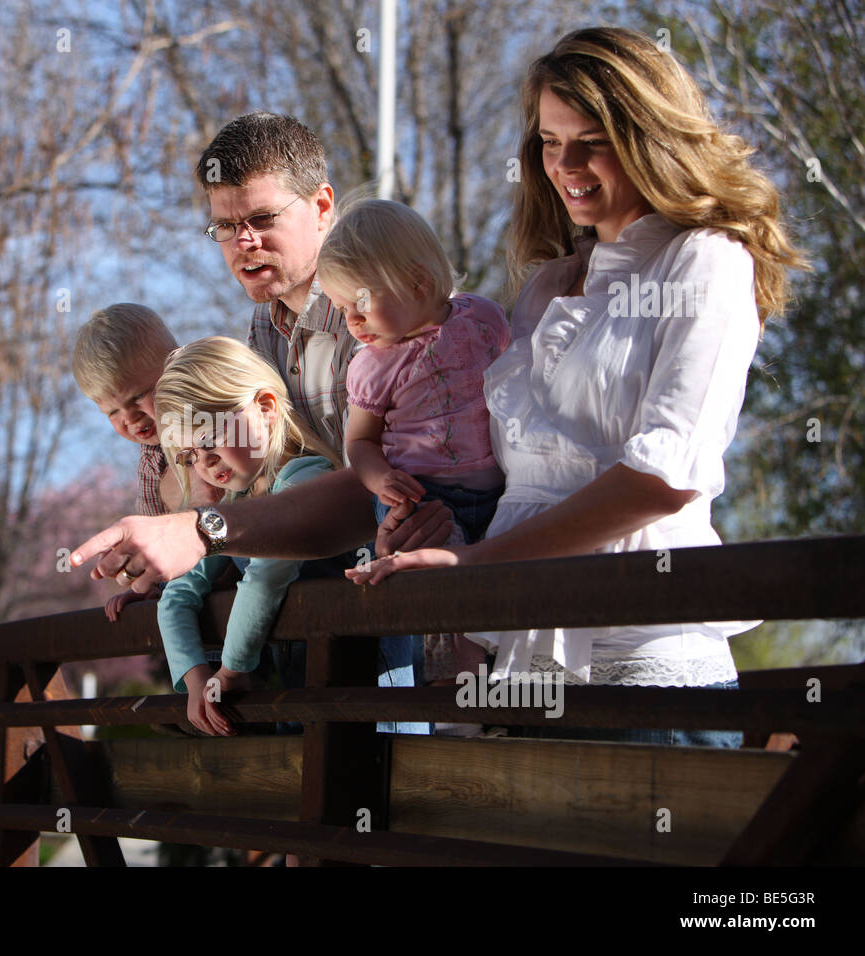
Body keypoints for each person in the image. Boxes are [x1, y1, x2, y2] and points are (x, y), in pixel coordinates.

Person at [346, 27, 807, 747]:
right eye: (549, 142)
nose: (568, 165)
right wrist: (440, 523)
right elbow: (517, 472)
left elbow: (666, 475)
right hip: (519, 670)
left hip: (644, 669)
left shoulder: (707, 262)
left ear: (650, 137)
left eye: (593, 139)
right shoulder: (547, 286)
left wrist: (476, 566)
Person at [71, 114, 454, 606]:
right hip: (341, 604)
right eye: (225, 227)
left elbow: (398, 490)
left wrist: (202, 530)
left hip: (438, 592)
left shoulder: (387, 308)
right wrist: (180, 579)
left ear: (321, 206)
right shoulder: (261, 335)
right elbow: (263, 490)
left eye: (262, 219)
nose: (243, 242)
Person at [316, 198, 510, 732]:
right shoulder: (371, 366)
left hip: (495, 490)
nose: (350, 322)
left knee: (480, 591)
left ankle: (474, 701)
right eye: (340, 309)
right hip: (417, 492)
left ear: (419, 283)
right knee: (423, 594)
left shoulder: (483, 319)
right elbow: (359, 443)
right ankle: (423, 716)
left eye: (358, 304)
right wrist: (380, 479)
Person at [150, 337, 342, 736]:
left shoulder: (308, 479)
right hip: (299, 689)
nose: (205, 463)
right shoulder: (232, 508)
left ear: (266, 407)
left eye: (207, 440)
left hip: (360, 678)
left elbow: (268, 573)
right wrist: (195, 678)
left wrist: (233, 669)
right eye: (189, 458)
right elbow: (179, 593)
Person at [71, 303, 219, 620]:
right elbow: (154, 529)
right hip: (198, 589)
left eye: (138, 396)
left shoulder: (216, 418)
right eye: (112, 412)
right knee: (176, 616)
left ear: (176, 364)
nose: (130, 419)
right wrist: (152, 582)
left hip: (250, 561)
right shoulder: (151, 462)